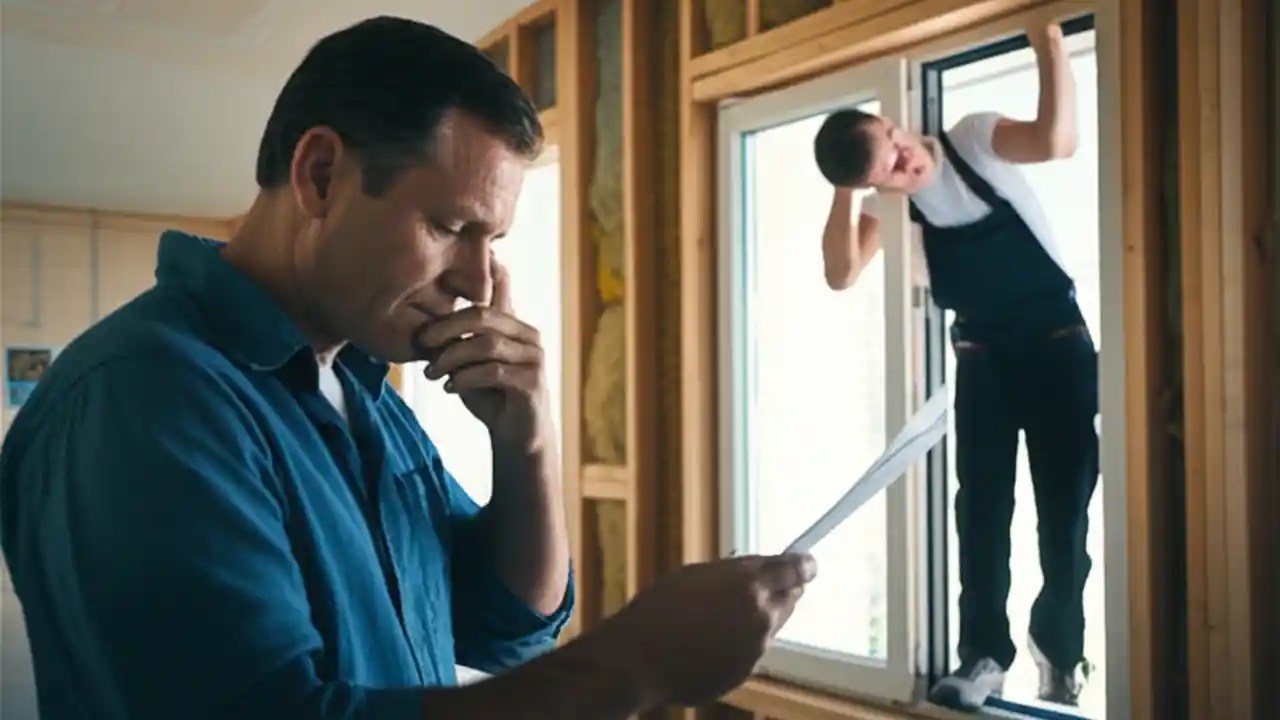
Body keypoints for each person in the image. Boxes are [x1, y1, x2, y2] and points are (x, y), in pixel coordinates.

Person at [0, 16, 816, 719]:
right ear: (321, 175)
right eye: (450, 225)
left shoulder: (363, 391)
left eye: (490, 241)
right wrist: (634, 667)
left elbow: (506, 625)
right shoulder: (145, 397)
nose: (475, 281)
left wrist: (527, 446)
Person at [811, 20, 1097, 712]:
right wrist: (852, 185)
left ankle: (1059, 652)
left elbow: (1056, 142)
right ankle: (983, 657)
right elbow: (841, 272)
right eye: (889, 169)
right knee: (982, 510)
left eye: (895, 146)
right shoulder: (895, 203)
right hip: (983, 357)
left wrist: (1048, 42)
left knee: (1065, 508)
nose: (905, 163)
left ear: (892, 123)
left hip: (1058, 342)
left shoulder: (972, 138)